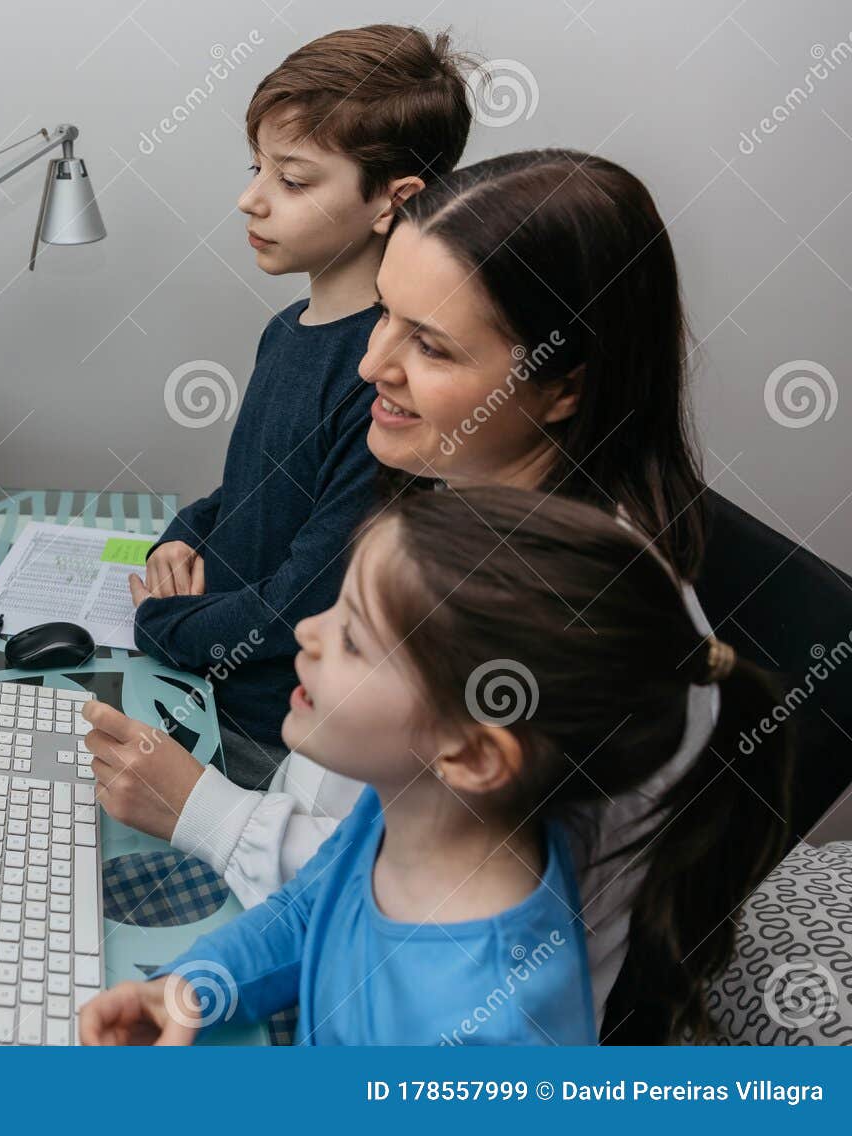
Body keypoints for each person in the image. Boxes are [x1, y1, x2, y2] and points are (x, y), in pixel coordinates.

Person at [92, 149, 719, 1030]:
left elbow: (428, 904)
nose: (369, 365)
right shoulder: (441, 512)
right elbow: (358, 860)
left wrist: (204, 811)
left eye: (430, 344)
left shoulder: (561, 623)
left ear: (562, 384)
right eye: (385, 312)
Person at [80, 487, 791, 1045]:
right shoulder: (401, 809)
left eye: (353, 638)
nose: (307, 631)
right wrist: (193, 989)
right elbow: (307, 913)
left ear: (473, 754)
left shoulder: (492, 1028)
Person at [130, 25, 474, 790]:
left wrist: (159, 623)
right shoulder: (286, 331)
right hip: (198, 675)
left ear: (394, 199)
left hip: (263, 733)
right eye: (256, 168)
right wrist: (181, 539)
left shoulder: (386, 385)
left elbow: (307, 601)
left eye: (292, 181)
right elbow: (250, 493)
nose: (249, 199)